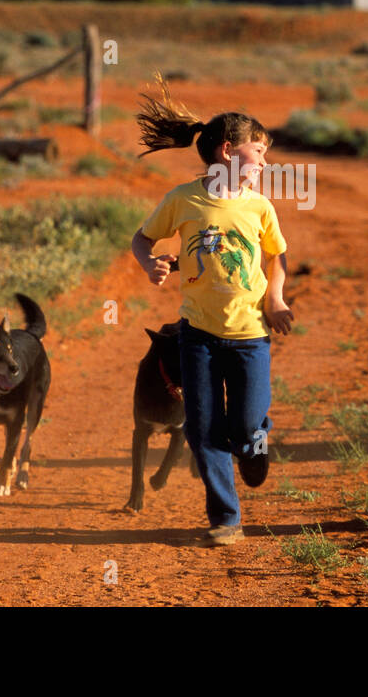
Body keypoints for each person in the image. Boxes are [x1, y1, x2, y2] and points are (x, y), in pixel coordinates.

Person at [130, 74, 294, 546]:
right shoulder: (182, 200)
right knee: (202, 429)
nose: (265, 162)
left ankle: (255, 441)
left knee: (244, 426)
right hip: (197, 335)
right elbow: (141, 239)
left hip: (249, 334)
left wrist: (276, 299)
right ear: (228, 152)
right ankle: (225, 518)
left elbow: (275, 258)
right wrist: (150, 264)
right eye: (258, 153)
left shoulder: (260, 206)